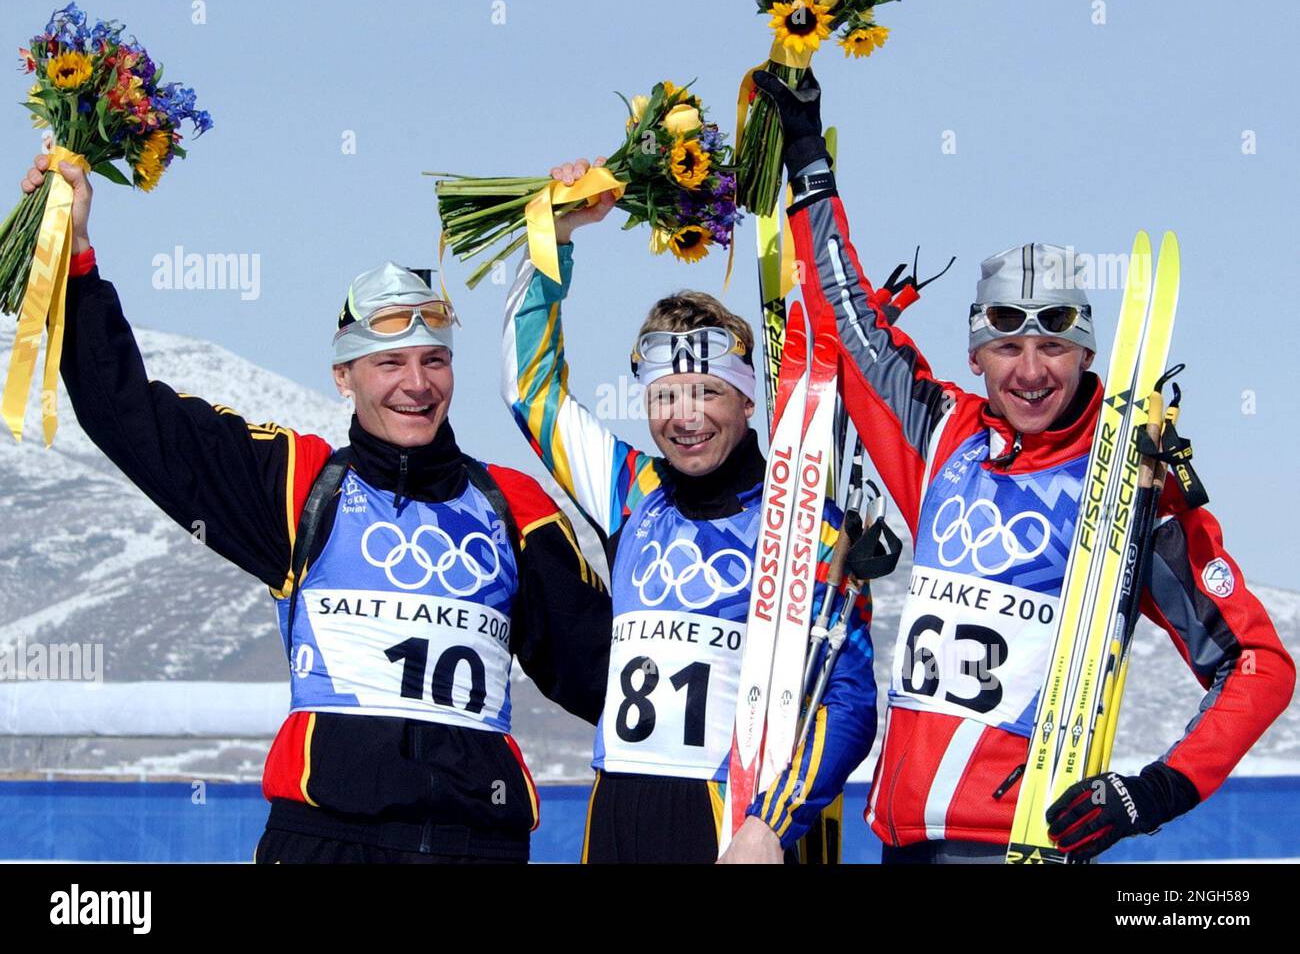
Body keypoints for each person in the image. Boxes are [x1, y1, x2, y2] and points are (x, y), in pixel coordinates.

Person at [752, 70, 1296, 863]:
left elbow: (1257, 665)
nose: (1032, 370)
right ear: (976, 356)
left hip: (1019, 844)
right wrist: (809, 160)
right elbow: (848, 314)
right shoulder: (938, 435)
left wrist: (1155, 789)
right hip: (905, 839)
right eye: (1008, 346)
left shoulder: (1129, 485)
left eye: (1055, 347)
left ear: (1086, 354)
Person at [23, 153, 611, 864]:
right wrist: (76, 255)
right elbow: (128, 419)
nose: (417, 384)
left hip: (476, 843)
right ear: (344, 376)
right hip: (327, 839)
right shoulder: (300, 484)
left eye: (435, 360)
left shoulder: (511, 504)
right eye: (389, 363)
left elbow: (604, 671)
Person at [501, 159, 877, 863]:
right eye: (665, 397)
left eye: (706, 393)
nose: (684, 418)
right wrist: (555, 241)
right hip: (620, 806)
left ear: (746, 400)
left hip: (733, 815)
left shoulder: (803, 522)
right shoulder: (631, 490)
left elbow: (850, 703)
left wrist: (772, 825)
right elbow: (531, 391)